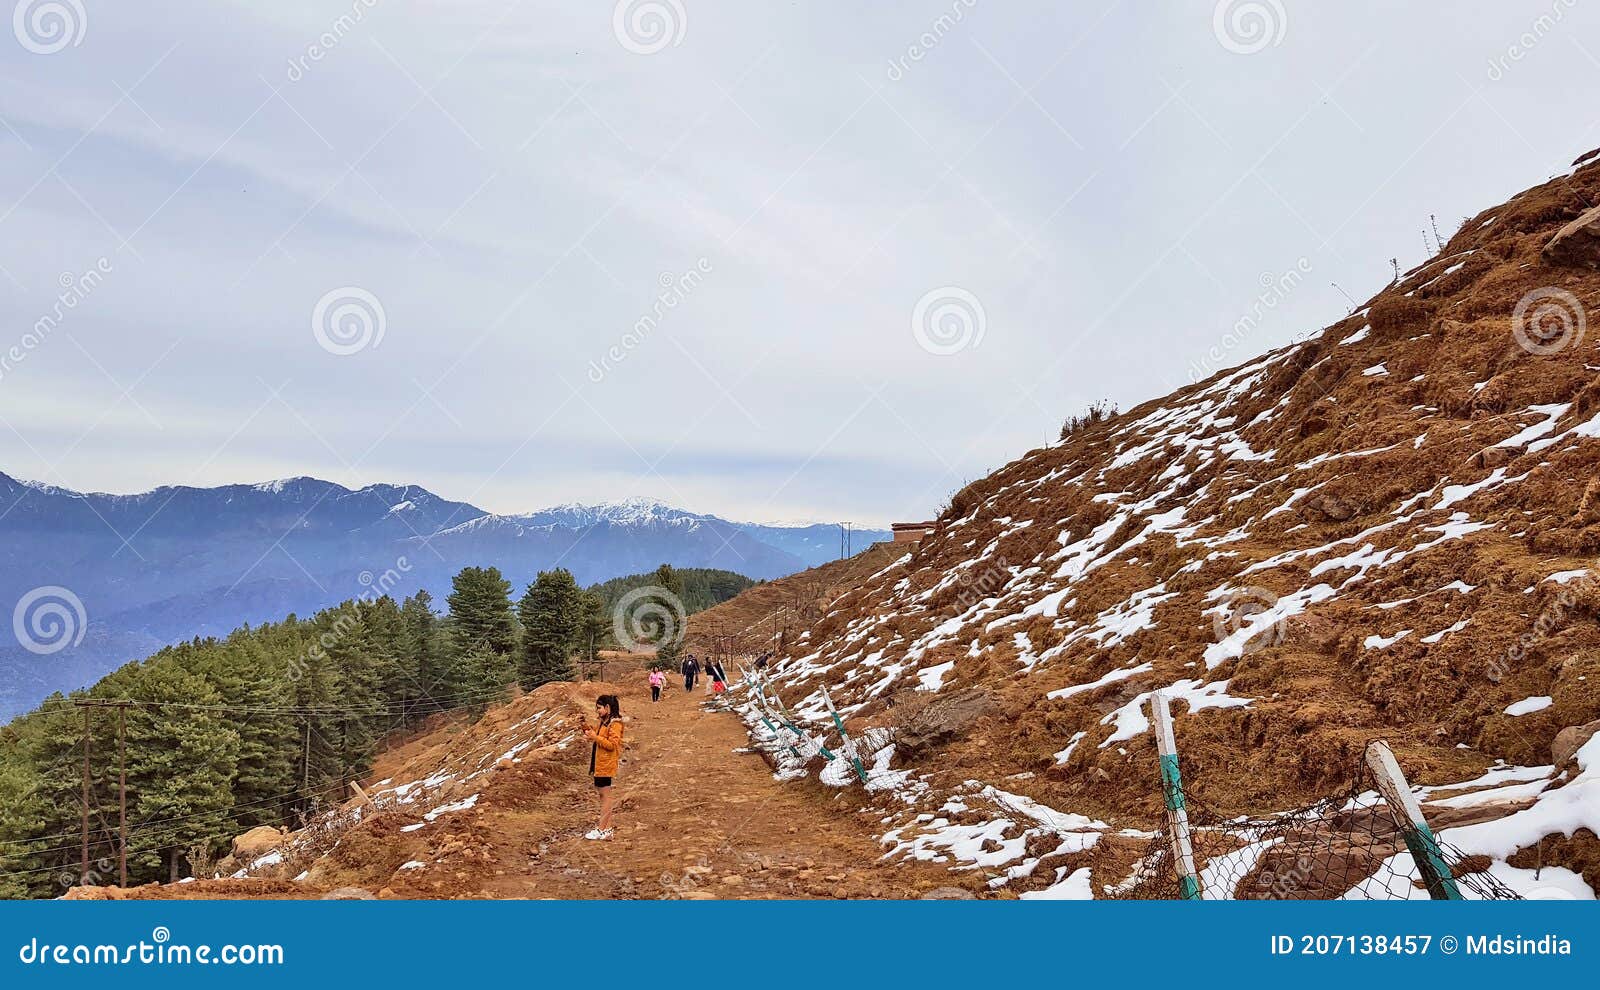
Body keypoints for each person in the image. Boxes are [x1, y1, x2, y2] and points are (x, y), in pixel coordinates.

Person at [583, 694, 624, 840]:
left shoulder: (615, 724)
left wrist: (595, 737)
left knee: (606, 797)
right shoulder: (604, 722)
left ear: (607, 707)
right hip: (600, 764)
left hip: (606, 764)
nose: (597, 711)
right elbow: (601, 739)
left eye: (599, 708)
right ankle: (608, 830)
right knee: (603, 796)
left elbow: (612, 745)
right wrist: (591, 735)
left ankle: (601, 829)